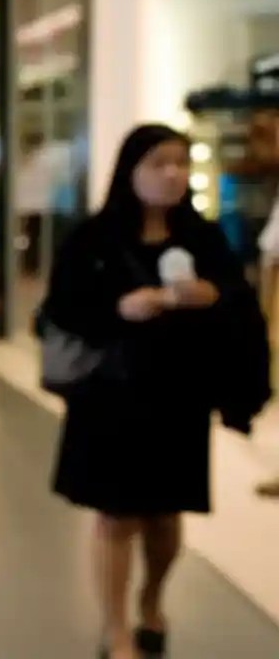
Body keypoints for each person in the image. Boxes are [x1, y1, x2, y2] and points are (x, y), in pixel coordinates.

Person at [42, 124, 271, 659]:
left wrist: (211, 294)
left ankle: (151, 598)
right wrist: (120, 308)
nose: (172, 174)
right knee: (115, 515)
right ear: (131, 171)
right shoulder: (91, 238)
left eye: (181, 163)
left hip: (178, 394)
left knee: (166, 517)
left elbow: (238, 304)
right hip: (109, 395)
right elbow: (62, 309)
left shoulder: (205, 237)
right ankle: (115, 629)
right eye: (159, 164)